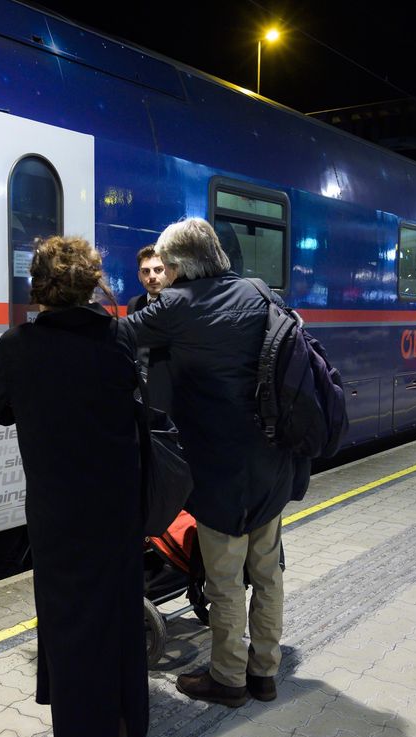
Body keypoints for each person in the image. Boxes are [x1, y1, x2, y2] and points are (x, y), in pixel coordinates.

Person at [0, 236, 148, 737]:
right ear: (91, 284)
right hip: (117, 504)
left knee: (68, 623)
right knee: (120, 615)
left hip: (59, 509)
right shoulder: (119, 336)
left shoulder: (20, 344)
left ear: (39, 287)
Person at [127, 218, 309, 708]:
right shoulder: (259, 292)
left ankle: (228, 678)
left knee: (224, 580)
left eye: (167, 266)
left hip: (219, 470)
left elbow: (117, 336)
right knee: (267, 573)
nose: (163, 274)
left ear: (182, 265)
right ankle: (264, 672)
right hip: (271, 462)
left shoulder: (177, 305)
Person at [127, 245, 172, 411]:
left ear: (168, 270)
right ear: (139, 276)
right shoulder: (134, 304)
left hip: (169, 387)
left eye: (158, 270)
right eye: (146, 271)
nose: (151, 276)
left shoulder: (179, 304)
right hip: (139, 388)